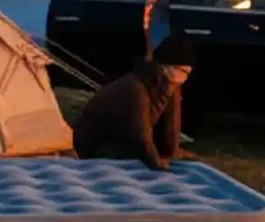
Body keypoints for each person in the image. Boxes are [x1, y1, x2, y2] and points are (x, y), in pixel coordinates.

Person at [72, 35, 195, 171]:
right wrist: (158, 165)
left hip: (122, 139)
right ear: (167, 69)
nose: (184, 78)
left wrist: (170, 153)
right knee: (133, 158)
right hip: (95, 144)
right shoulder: (135, 88)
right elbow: (140, 135)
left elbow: (170, 129)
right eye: (183, 72)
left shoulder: (165, 88)